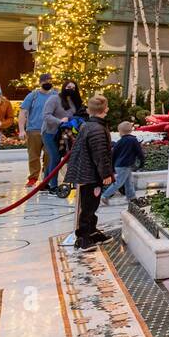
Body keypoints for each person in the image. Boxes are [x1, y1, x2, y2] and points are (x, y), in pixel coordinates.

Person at [64, 94, 115, 251]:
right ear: (105, 108)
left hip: (87, 172)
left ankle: (91, 231)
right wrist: (106, 174)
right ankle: (83, 237)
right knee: (88, 206)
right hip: (90, 174)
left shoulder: (89, 125)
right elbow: (100, 154)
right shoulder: (97, 129)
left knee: (91, 205)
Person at [19, 73, 68, 187]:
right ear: (40, 82)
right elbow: (23, 112)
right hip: (34, 129)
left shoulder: (56, 95)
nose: (48, 83)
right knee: (33, 155)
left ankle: (47, 177)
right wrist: (21, 129)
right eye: (45, 81)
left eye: (50, 81)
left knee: (50, 155)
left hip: (50, 130)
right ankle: (33, 177)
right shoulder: (33, 96)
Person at [101, 121, 144, 205]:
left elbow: (113, 154)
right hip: (125, 165)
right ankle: (105, 196)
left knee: (128, 181)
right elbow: (139, 152)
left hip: (119, 165)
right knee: (119, 182)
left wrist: (112, 166)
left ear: (120, 131)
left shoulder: (120, 142)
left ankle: (131, 197)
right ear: (131, 130)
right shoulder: (133, 140)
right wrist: (141, 161)